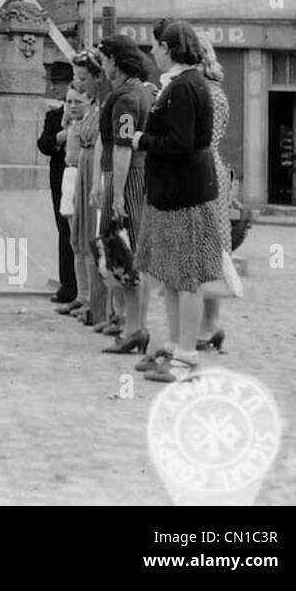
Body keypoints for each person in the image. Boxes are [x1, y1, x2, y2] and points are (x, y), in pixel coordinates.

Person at [131, 21, 220, 383]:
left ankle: (186, 355)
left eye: (155, 46)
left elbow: (181, 143)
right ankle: (173, 345)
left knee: (186, 280)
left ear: (168, 48)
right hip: (172, 194)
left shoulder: (185, 87)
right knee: (171, 277)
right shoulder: (182, 83)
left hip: (185, 196)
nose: (152, 52)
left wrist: (142, 141)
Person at [96, 36, 155, 354]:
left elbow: (122, 146)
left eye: (104, 60)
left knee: (125, 254)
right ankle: (135, 326)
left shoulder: (127, 97)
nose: (103, 67)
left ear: (115, 62)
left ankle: (134, 328)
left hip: (127, 179)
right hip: (132, 177)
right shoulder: (137, 91)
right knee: (130, 255)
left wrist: (117, 196)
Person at [56, 51, 104, 321]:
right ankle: (83, 296)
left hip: (91, 176)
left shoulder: (103, 108)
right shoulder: (81, 115)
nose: (78, 82)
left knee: (89, 241)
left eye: (83, 78)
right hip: (77, 174)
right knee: (77, 240)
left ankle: (95, 302)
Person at [195, 34, 231, 354]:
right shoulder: (214, 92)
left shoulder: (207, 93)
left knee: (207, 250)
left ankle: (210, 324)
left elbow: (203, 139)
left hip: (204, 172)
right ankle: (210, 323)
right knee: (209, 249)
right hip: (211, 169)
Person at [37, 61, 77, 304]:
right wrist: (59, 138)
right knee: (63, 230)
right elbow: (43, 144)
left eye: (58, 83)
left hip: (78, 177)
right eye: (52, 82)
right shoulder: (54, 116)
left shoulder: (82, 114)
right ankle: (67, 284)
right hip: (59, 179)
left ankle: (78, 287)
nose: (54, 87)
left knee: (77, 233)